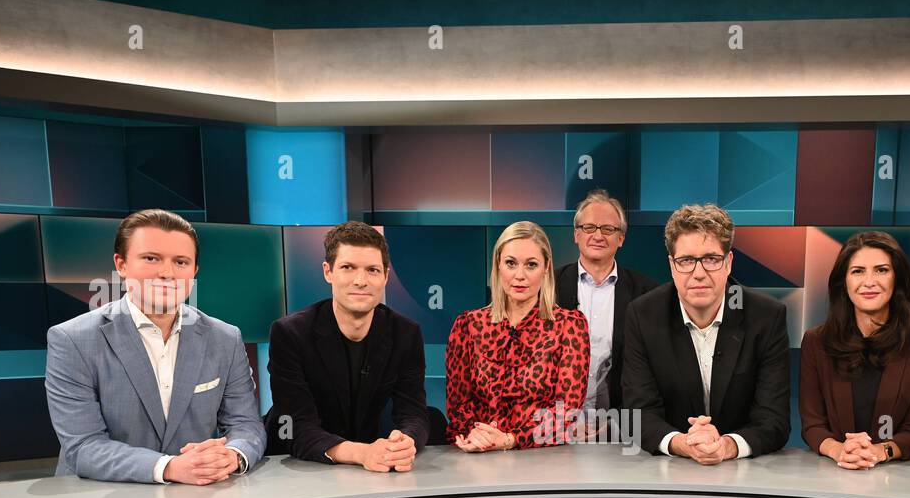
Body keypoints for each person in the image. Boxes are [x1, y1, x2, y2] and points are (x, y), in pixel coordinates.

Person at [45, 209, 265, 484]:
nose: (167, 273)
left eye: (181, 262)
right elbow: (83, 447)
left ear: (194, 271)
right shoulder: (73, 340)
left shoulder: (225, 338)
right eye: (151, 258)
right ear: (121, 265)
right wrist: (169, 467)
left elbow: (246, 425)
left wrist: (232, 455)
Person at [622, 203, 790, 463]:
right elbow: (638, 412)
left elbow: (774, 419)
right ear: (671, 265)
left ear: (729, 262)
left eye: (711, 259)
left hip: (746, 474)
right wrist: (684, 444)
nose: (698, 273)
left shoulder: (766, 318)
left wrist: (726, 446)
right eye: (687, 261)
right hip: (668, 472)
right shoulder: (643, 315)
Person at [264, 222, 427, 472]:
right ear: (328, 272)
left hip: (368, 465)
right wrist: (362, 452)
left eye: (372, 270)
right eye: (348, 268)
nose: (361, 281)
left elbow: (414, 413)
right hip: (295, 464)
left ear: (385, 276)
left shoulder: (405, 333)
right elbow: (294, 425)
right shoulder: (290, 334)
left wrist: (405, 442)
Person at [799, 231, 910, 467]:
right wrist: (839, 451)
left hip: (896, 479)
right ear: (843, 281)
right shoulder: (817, 342)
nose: (869, 282)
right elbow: (813, 424)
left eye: (881, 270)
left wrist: (878, 452)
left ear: (896, 277)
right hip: (831, 473)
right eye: (857, 271)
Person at [444, 221, 590, 451]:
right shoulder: (468, 326)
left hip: (542, 459)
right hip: (478, 456)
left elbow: (567, 412)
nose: (519, 275)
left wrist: (510, 440)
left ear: (546, 268)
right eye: (511, 263)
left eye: (531, 265)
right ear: (498, 266)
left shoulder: (569, 326)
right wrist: (477, 434)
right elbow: (458, 407)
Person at [554, 189, 658, 434]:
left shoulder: (647, 294)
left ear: (621, 237)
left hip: (620, 429)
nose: (598, 235)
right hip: (555, 428)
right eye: (589, 227)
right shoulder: (547, 287)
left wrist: (618, 425)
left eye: (608, 229)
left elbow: (650, 373)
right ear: (576, 234)